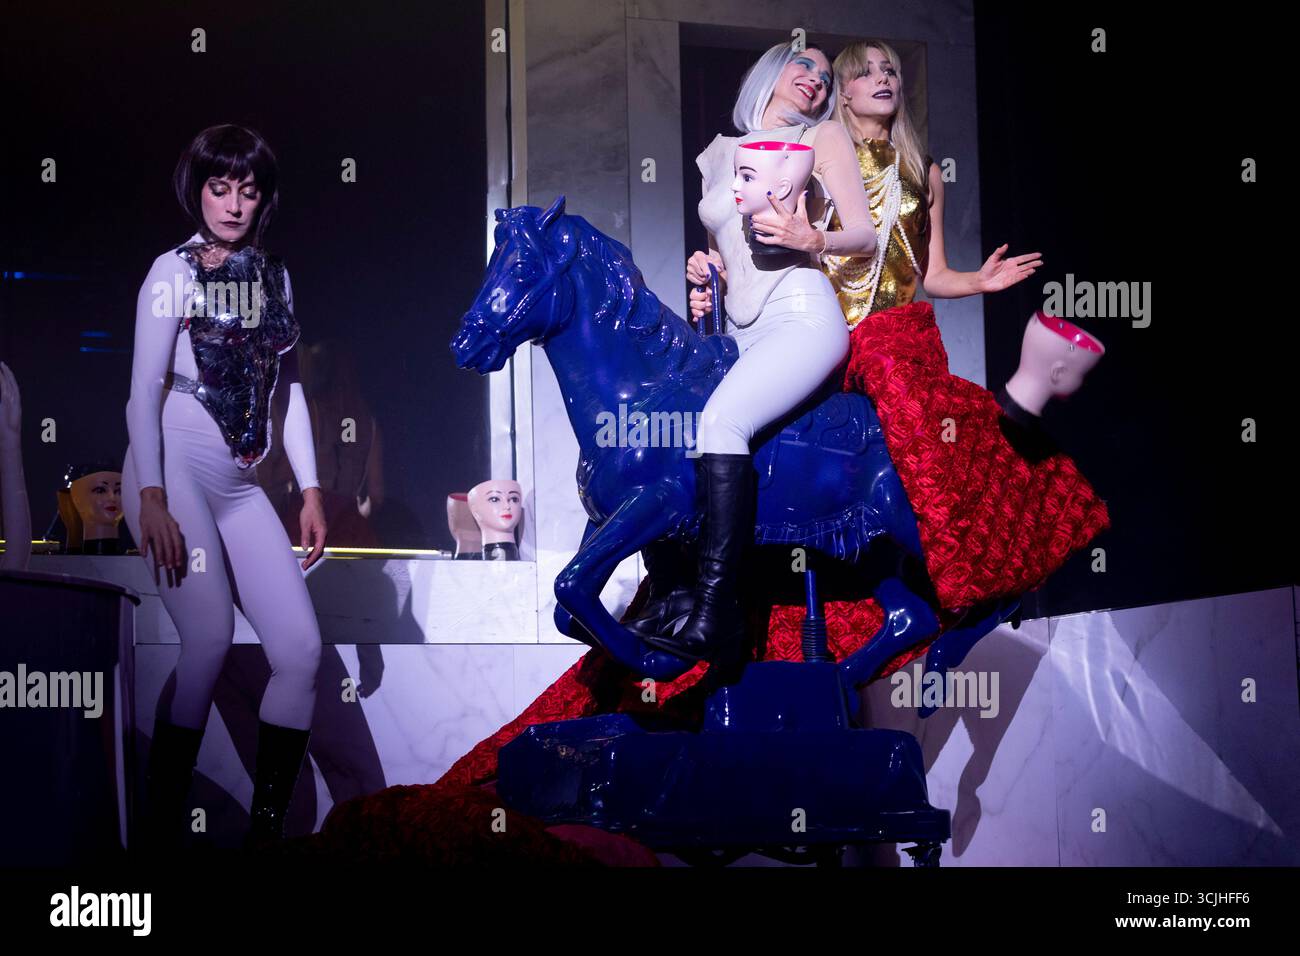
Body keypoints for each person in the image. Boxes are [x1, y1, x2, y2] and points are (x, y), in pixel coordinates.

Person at [120, 124, 327, 849]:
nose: (234, 205)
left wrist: (310, 489)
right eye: (220, 188)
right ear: (198, 189)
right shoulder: (170, 271)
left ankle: (266, 838)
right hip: (170, 465)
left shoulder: (276, 274)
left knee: (300, 651)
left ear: (262, 197)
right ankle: (157, 829)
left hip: (242, 486)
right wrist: (149, 494)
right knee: (206, 639)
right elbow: (141, 391)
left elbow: (290, 385)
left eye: (248, 190)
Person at [643, 41, 876, 666]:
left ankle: (719, 613)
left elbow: (866, 233)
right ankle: (673, 595)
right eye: (806, 66)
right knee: (672, 431)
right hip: (737, 327)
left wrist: (812, 235)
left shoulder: (822, 138)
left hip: (800, 313)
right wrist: (705, 274)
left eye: (827, 78)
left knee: (722, 422)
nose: (818, 81)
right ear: (771, 73)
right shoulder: (719, 155)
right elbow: (726, 246)